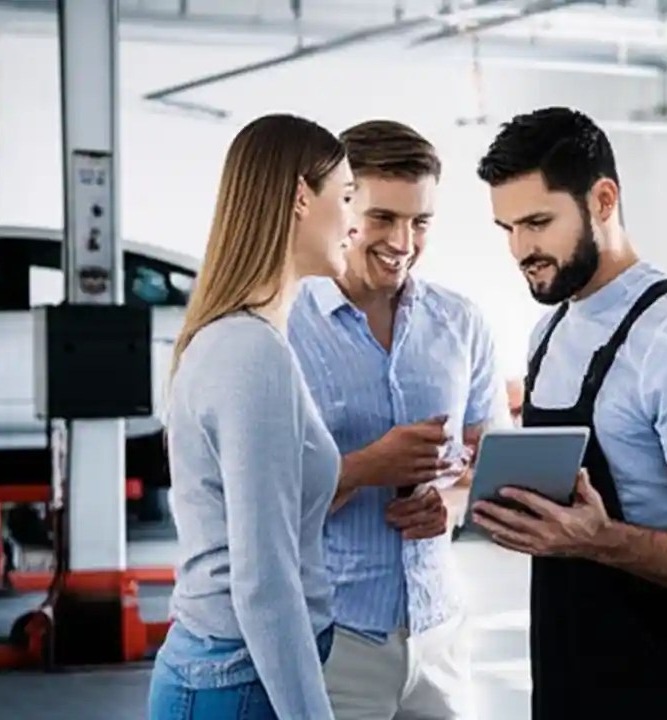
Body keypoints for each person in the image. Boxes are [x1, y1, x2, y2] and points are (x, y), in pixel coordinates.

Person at [469, 107, 667, 720]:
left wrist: (604, 541)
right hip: (571, 686)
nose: (520, 250)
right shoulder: (550, 332)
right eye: (507, 228)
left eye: (538, 223)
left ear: (603, 200)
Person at [289, 119, 507, 720]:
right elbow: (256, 503)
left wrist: (450, 502)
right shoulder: (283, 328)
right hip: (332, 637)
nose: (403, 241)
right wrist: (364, 468)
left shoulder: (461, 323)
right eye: (383, 218)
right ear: (340, 206)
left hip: (439, 631)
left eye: (421, 222)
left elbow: (484, 463)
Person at [149, 113, 357, 720]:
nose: (353, 221)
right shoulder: (250, 351)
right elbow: (264, 578)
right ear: (300, 197)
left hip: (236, 675)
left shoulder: (245, 340)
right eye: (346, 196)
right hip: (238, 683)